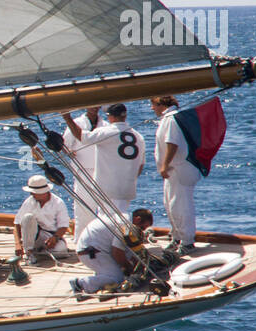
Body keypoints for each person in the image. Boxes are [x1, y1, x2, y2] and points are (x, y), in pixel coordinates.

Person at [61, 102, 145, 218]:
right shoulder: (138, 136)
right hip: (127, 188)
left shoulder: (107, 131)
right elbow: (140, 165)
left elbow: (83, 137)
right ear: (124, 116)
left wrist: (67, 117)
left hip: (108, 188)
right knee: (120, 217)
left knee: (108, 219)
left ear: (111, 117)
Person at [151, 96, 200, 253]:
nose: (152, 109)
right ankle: (177, 237)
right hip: (172, 172)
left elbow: (173, 143)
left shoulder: (172, 119)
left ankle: (187, 242)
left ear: (162, 104)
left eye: (153, 105)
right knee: (170, 205)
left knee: (180, 205)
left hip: (178, 170)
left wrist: (165, 164)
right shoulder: (168, 119)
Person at [70, 208, 153, 294]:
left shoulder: (124, 217)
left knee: (128, 258)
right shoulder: (125, 225)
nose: (141, 231)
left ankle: (104, 275)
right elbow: (117, 253)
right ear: (137, 219)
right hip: (91, 253)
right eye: (142, 228)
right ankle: (80, 283)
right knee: (117, 279)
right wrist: (130, 270)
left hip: (97, 249)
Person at [60, 106, 100, 233]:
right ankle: (81, 241)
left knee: (103, 209)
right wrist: (69, 152)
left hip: (101, 171)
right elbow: (63, 144)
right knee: (82, 208)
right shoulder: (76, 123)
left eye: (96, 105)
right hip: (82, 171)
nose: (94, 108)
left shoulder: (104, 125)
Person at [13, 174, 70, 259]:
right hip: (33, 237)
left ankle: (38, 252)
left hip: (51, 236)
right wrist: (17, 244)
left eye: (33, 192)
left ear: (43, 192)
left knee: (60, 251)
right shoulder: (29, 201)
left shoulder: (58, 203)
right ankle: (29, 252)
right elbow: (17, 223)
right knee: (28, 217)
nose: (31, 194)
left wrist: (55, 238)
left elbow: (63, 226)